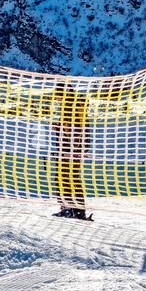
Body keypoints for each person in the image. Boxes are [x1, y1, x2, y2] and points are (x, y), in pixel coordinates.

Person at [52, 82, 92, 220]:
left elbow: (73, 129)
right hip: (71, 149)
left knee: (65, 178)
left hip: (68, 150)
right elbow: (81, 127)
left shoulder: (70, 106)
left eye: (57, 94)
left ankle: (70, 209)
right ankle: (76, 210)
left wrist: (72, 147)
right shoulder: (75, 105)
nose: (55, 98)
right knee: (71, 178)